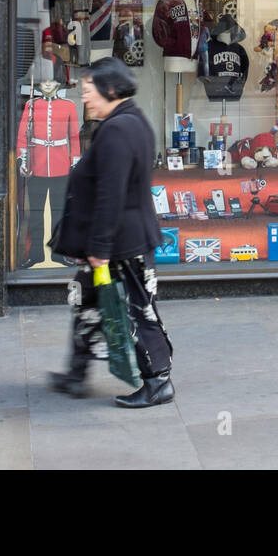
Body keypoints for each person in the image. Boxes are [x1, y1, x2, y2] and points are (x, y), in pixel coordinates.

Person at [48, 57, 175, 407]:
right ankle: (77, 372)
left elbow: (111, 195)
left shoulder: (119, 130)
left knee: (137, 310)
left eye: (89, 90)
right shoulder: (127, 121)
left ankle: (158, 381)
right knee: (87, 301)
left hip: (122, 244)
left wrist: (100, 247)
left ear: (111, 89)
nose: (84, 97)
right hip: (113, 242)